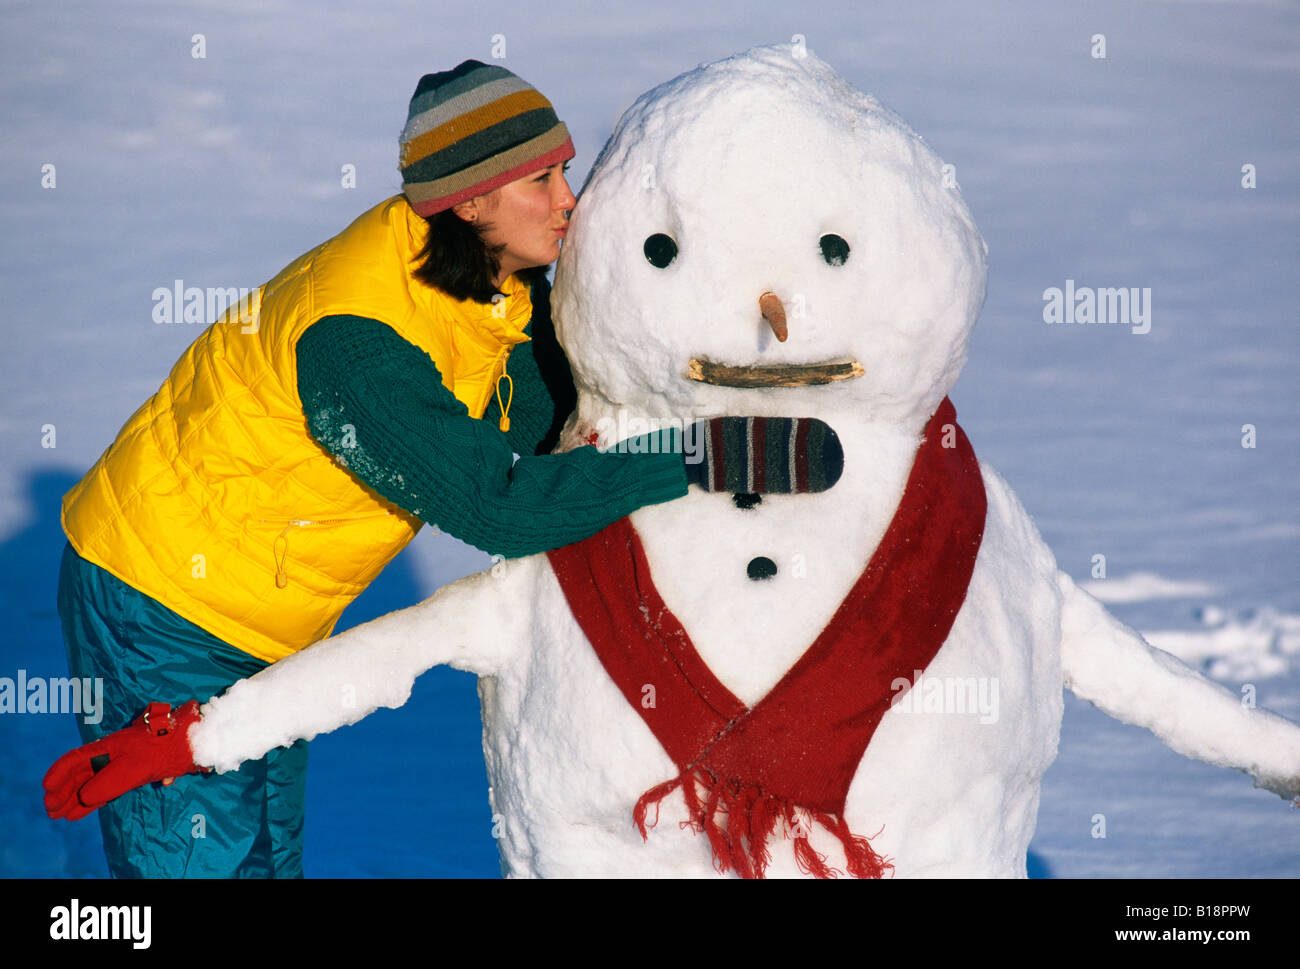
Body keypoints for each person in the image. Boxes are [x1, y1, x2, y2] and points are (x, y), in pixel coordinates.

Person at [43, 60, 843, 877]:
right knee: (201, 861)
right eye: (542, 179)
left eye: (565, 169)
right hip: (161, 601)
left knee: (267, 856)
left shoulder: (493, 279)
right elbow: (499, 506)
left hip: (267, 613)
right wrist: (701, 457)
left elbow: (546, 431)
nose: (569, 199)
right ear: (468, 198)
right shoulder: (357, 345)